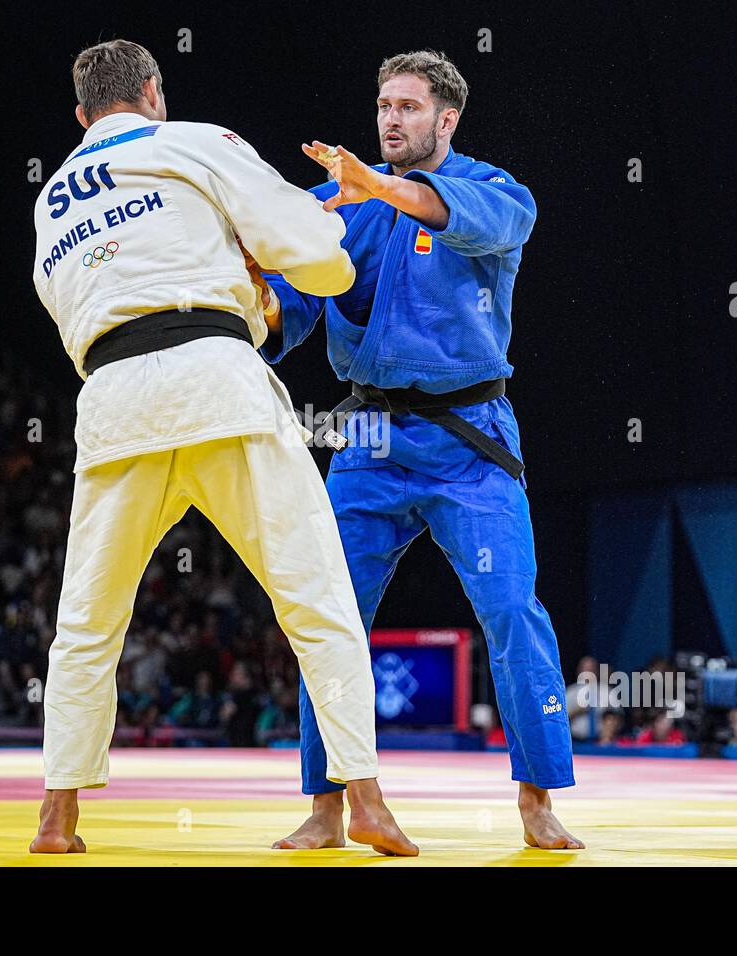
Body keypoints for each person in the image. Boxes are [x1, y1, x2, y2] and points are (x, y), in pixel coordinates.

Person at [28, 39, 414, 855]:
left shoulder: (52, 199)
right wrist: (277, 262)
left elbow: (65, 309)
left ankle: (57, 816)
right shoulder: (197, 141)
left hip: (112, 403)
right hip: (216, 379)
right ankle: (368, 799)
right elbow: (319, 261)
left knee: (87, 624)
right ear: (152, 91)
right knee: (317, 597)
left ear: (80, 116)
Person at [262, 50, 581, 850]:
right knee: (327, 616)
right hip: (368, 437)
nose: (390, 120)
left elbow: (462, 219)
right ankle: (327, 807)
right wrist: (256, 306)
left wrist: (375, 188)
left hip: (472, 439)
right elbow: (296, 303)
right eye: (382, 106)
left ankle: (537, 800)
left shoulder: (499, 193)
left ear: (447, 119)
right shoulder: (341, 196)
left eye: (408, 107)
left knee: (511, 609)